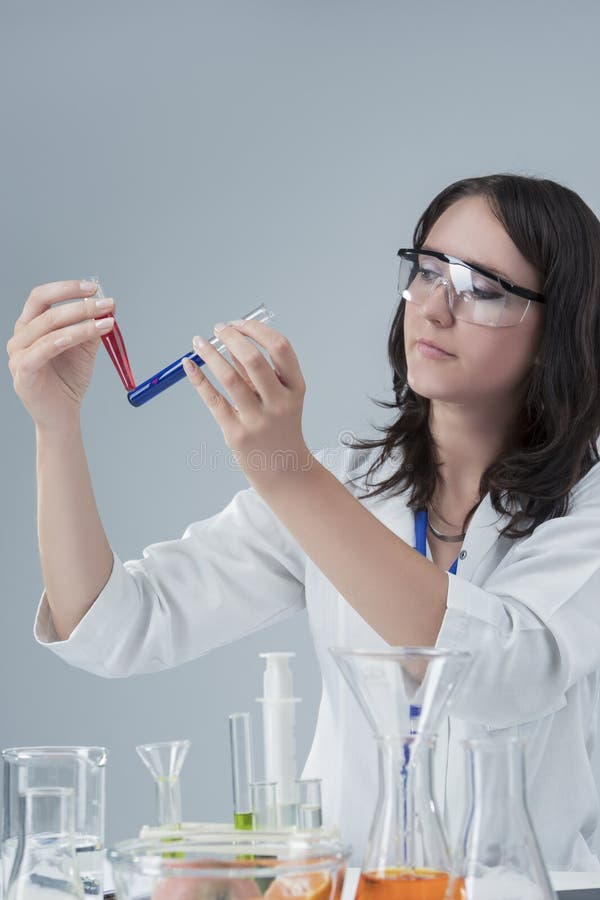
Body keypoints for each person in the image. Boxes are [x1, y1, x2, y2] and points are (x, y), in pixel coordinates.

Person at [7, 173, 600, 870]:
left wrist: (289, 474)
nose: (435, 309)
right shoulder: (345, 487)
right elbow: (116, 627)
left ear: (559, 326)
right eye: (429, 270)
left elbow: (505, 675)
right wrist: (55, 424)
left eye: (484, 288)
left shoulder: (585, 504)